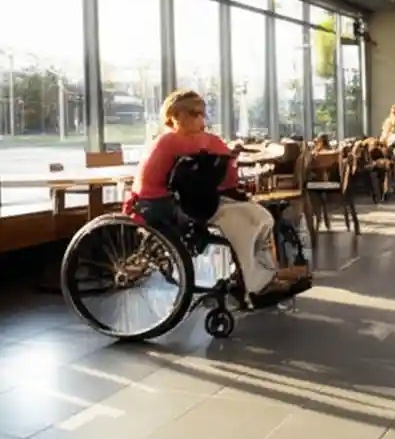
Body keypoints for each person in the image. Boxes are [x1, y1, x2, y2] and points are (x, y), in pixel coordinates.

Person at [131, 89, 309, 303]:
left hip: (195, 199)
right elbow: (213, 151)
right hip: (163, 203)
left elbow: (223, 167)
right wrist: (222, 148)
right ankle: (254, 285)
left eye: (202, 113)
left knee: (260, 216)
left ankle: (264, 275)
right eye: (193, 113)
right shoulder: (169, 141)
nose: (200, 118)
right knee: (240, 222)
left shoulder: (199, 140)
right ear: (174, 116)